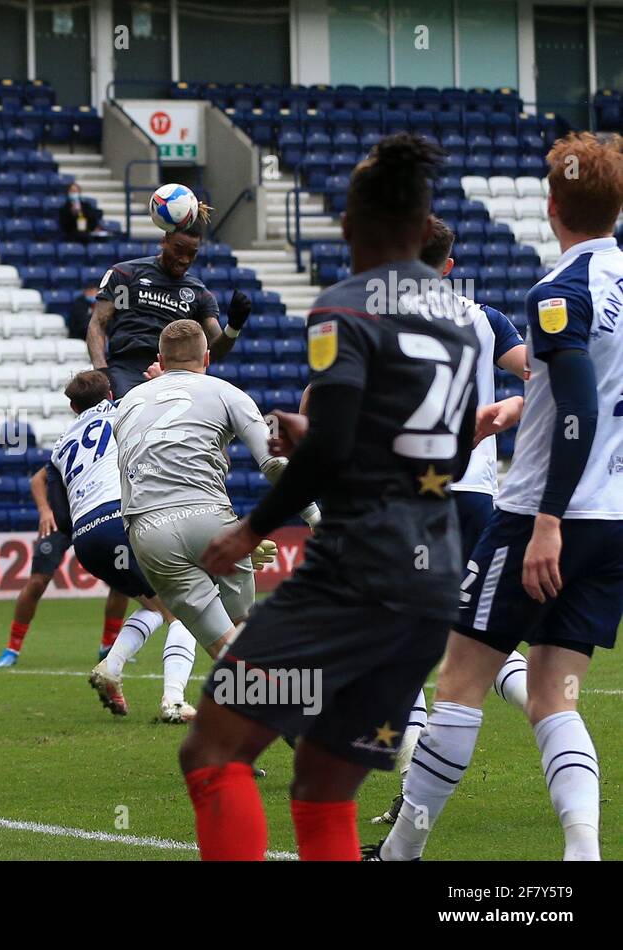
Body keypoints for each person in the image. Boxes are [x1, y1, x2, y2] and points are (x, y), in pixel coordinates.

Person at [178, 133, 479, 861]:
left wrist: (251, 529)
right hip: (433, 584)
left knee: (214, 750)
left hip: (355, 578)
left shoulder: (345, 307)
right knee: (321, 785)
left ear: (352, 225)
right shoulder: (462, 320)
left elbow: (335, 451)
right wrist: (321, 432)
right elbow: (448, 448)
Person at [369, 132, 623, 862]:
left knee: (459, 680)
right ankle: (583, 851)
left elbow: (574, 405)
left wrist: (546, 517)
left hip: (541, 515)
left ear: (551, 206)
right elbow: (571, 392)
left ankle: (401, 852)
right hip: (611, 519)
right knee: (554, 695)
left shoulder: (559, 293)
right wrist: (523, 406)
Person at [372, 214, 531, 825]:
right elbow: (537, 373)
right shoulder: (486, 318)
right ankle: (544, 704)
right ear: (448, 266)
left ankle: (410, 779)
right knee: (475, 633)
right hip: (475, 495)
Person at [114, 320, 319, 677]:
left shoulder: (128, 402)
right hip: (209, 517)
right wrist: (316, 519)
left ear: (160, 360)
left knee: (228, 651)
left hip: (146, 528)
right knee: (244, 630)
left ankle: (282, 714)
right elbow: (273, 464)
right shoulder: (228, 392)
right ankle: (303, 711)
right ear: (207, 357)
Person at [33, 370, 200, 721]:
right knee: (186, 608)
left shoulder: (60, 446)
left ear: (73, 407)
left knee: (155, 607)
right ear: (110, 391)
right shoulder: (126, 407)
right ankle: (173, 701)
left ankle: (111, 666)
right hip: (121, 521)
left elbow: (61, 515)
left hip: (86, 540)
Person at [86, 210, 251, 398]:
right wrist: (102, 372)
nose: (184, 259)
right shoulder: (126, 275)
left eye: (192, 254)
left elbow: (214, 350)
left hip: (174, 374)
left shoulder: (199, 294)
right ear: (164, 240)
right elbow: (98, 324)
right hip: (125, 369)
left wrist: (234, 327)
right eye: (179, 250)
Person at [0, 488, 130, 668]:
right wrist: (44, 510)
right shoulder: (64, 458)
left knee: (122, 578)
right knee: (38, 582)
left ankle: (108, 645)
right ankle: (12, 649)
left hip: (96, 516)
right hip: (62, 519)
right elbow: (37, 480)